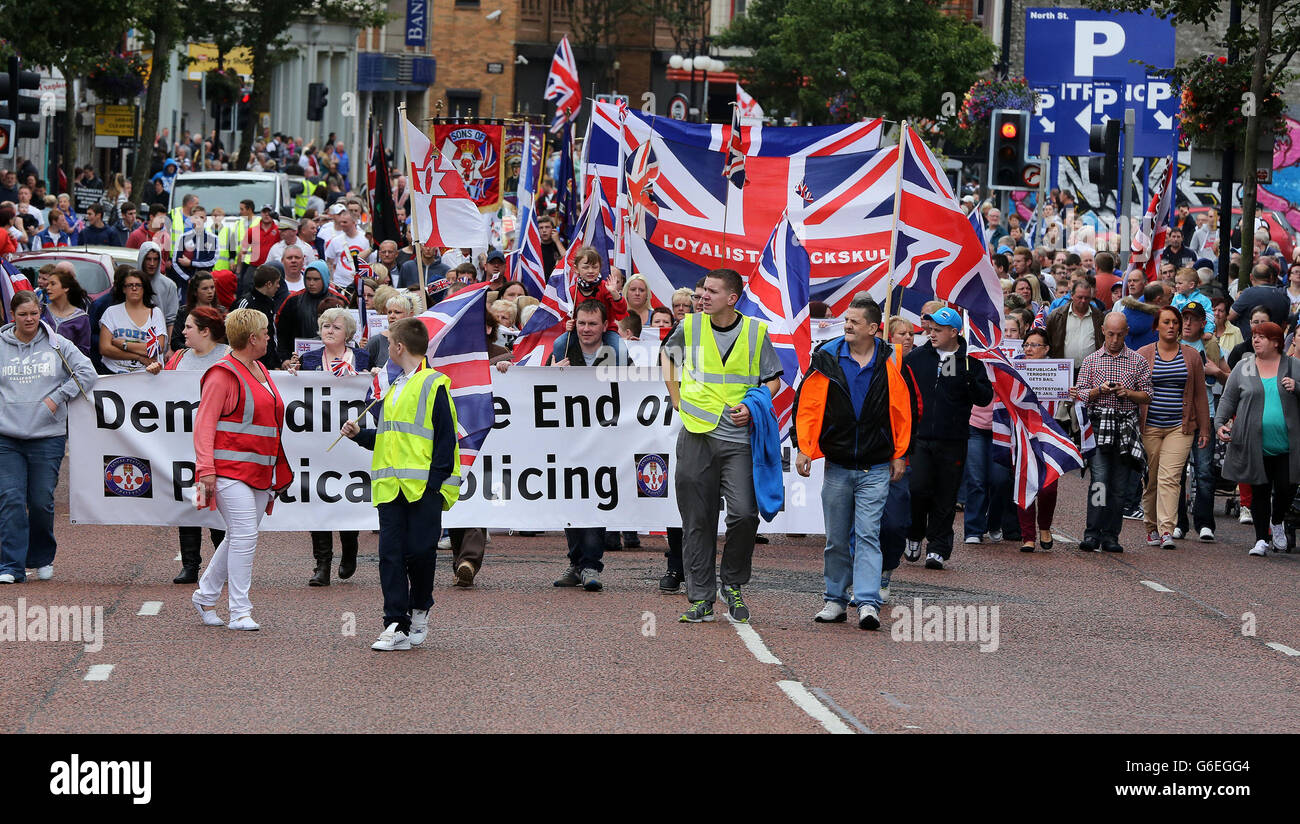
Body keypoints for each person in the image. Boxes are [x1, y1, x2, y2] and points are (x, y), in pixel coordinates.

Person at [662, 270, 782, 623]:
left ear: (732, 298)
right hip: (696, 434)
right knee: (697, 520)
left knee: (745, 514)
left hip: (739, 438)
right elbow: (669, 358)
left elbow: (773, 379)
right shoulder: (691, 327)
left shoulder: (756, 332)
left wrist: (754, 404)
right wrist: (676, 398)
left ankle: (732, 583)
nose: (703, 298)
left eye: (712, 292)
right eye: (703, 292)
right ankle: (700, 597)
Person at [340, 318, 459, 650]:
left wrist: (435, 484)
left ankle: (420, 607)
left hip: (424, 489)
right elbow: (388, 438)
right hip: (391, 485)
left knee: (420, 553)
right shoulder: (392, 387)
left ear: (399, 347)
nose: (386, 346)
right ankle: (395, 622)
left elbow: (446, 439)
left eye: (390, 342)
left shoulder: (435, 384)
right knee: (389, 555)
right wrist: (359, 436)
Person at [793, 296, 911, 630]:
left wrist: (900, 453)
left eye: (854, 321)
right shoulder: (826, 357)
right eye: (846, 320)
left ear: (873, 329)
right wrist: (805, 448)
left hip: (875, 466)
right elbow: (807, 407)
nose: (846, 325)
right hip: (838, 464)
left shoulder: (893, 360)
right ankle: (834, 600)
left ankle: (868, 602)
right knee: (836, 539)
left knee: (869, 534)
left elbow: (905, 411)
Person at [191, 309, 292, 630]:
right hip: (228, 470)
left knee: (238, 536)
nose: (268, 337)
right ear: (252, 339)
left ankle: (205, 595)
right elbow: (203, 425)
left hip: (259, 471)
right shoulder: (222, 374)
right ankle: (240, 611)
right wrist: (205, 470)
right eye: (265, 332)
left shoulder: (260, 367)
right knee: (245, 535)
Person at [0, 291, 97, 584]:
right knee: (11, 500)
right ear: (12, 316)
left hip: (47, 435)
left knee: (41, 501)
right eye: (22, 315)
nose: (29, 320)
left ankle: (41, 557)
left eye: (33, 313)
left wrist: (58, 397)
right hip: (7, 437)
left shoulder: (57, 343)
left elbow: (87, 372)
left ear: (40, 313)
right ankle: (10, 565)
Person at [901, 307, 994, 570]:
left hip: (953, 440)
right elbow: (904, 393)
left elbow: (984, 398)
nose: (932, 334)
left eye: (938, 330)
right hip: (920, 437)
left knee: (945, 495)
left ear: (954, 332)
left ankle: (938, 547)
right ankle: (914, 534)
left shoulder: (969, 362)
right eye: (930, 329)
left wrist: (970, 382)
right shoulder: (917, 358)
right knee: (918, 489)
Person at [146, 307, 231, 583]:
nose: (183, 332)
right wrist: (157, 372)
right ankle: (190, 564)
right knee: (189, 501)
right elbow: (163, 393)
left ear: (205, 331)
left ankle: (221, 564)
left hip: (219, 441)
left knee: (217, 503)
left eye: (189, 327)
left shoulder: (229, 355)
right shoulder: (180, 358)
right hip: (182, 443)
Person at [294, 307, 369, 586]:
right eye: (325, 325)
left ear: (347, 333)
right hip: (316, 441)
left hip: (350, 440)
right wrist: (292, 374)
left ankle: (349, 549)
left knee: (347, 495)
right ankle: (322, 563)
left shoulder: (362, 357)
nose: (329, 330)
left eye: (336, 327)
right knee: (317, 498)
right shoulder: (309, 359)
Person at [1215, 321, 1300, 556]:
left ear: (1276, 342)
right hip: (1253, 444)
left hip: (1287, 445)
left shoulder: (1293, 366)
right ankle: (1261, 539)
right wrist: (1220, 423)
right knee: (1260, 490)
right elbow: (1228, 398)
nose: (1256, 340)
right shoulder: (1244, 367)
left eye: (1262, 337)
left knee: (1286, 487)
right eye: (1254, 336)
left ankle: (1277, 520)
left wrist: (1298, 387)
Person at [1072, 313, 1153, 553]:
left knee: (1119, 486)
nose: (1115, 339)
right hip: (1099, 426)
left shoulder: (1137, 361)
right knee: (1100, 481)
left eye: (1119, 334)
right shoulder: (1091, 360)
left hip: (1126, 428)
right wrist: (1099, 390)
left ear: (1126, 332)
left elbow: (1148, 394)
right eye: (1111, 334)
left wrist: (1127, 393)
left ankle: (1111, 536)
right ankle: (1092, 533)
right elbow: (1080, 393)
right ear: (1103, 331)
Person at [1137, 307, 1211, 549]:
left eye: (1175, 322)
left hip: (1180, 426)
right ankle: (1151, 527)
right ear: (1156, 326)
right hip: (1149, 426)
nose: (1171, 326)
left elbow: (1200, 394)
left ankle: (1167, 529)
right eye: (1166, 322)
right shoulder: (1143, 354)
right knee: (1152, 479)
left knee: (1171, 477)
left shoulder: (1191, 356)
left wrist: (1205, 429)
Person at [1175, 302, 1227, 541]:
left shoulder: (1211, 346)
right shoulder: (1172, 345)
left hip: (1206, 414)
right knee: (1175, 471)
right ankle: (1178, 522)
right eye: (1184, 318)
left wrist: (1217, 372)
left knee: (1204, 471)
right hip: (1176, 415)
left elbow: (1231, 380)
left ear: (1202, 323)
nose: (1187, 323)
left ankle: (1205, 523)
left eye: (1192, 319)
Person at [1013, 329, 1061, 552]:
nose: (1029, 349)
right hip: (1022, 433)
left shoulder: (1058, 371)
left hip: (1048, 435)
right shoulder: (1016, 369)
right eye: (1026, 345)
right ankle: (1028, 535)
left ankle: (1045, 527)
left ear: (1046, 349)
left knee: (1048, 488)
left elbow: (1070, 399)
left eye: (1034, 345)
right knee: (1026, 483)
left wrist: (1070, 393)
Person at [99, 268, 167, 373]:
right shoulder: (111, 312)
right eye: (129, 285)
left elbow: (156, 348)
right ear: (123, 289)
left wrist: (124, 344)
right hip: (113, 373)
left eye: (138, 285)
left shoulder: (155, 313)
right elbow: (105, 348)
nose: (134, 288)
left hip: (147, 375)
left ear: (144, 288)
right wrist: (139, 357)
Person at [276, 261, 336, 365]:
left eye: (316, 279)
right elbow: (282, 333)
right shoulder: (293, 300)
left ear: (325, 279)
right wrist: (284, 358)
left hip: (333, 360)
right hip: (298, 361)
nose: (311, 283)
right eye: (308, 279)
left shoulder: (338, 300)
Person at [233, 266, 283, 373]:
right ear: (269, 284)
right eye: (277, 283)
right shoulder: (245, 303)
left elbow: (272, 335)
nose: (278, 286)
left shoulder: (270, 303)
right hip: (247, 364)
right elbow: (234, 334)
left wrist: (275, 362)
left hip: (268, 365)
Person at [41, 268, 93, 359]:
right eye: (48, 284)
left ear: (65, 288)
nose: (48, 287)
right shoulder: (41, 311)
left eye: (53, 284)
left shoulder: (81, 318)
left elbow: (84, 351)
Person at [1229, 263, 1289, 338]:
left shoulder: (1248, 293)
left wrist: (1236, 301)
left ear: (1251, 277)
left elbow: (1229, 316)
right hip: (1274, 342)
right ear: (1271, 277)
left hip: (1249, 343)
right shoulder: (1283, 296)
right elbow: (1285, 324)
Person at [137, 241, 180, 334]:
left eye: (155, 259)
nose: (152, 263)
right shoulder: (133, 283)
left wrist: (169, 345)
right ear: (142, 260)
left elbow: (171, 319)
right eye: (148, 259)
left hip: (159, 337)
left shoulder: (169, 285)